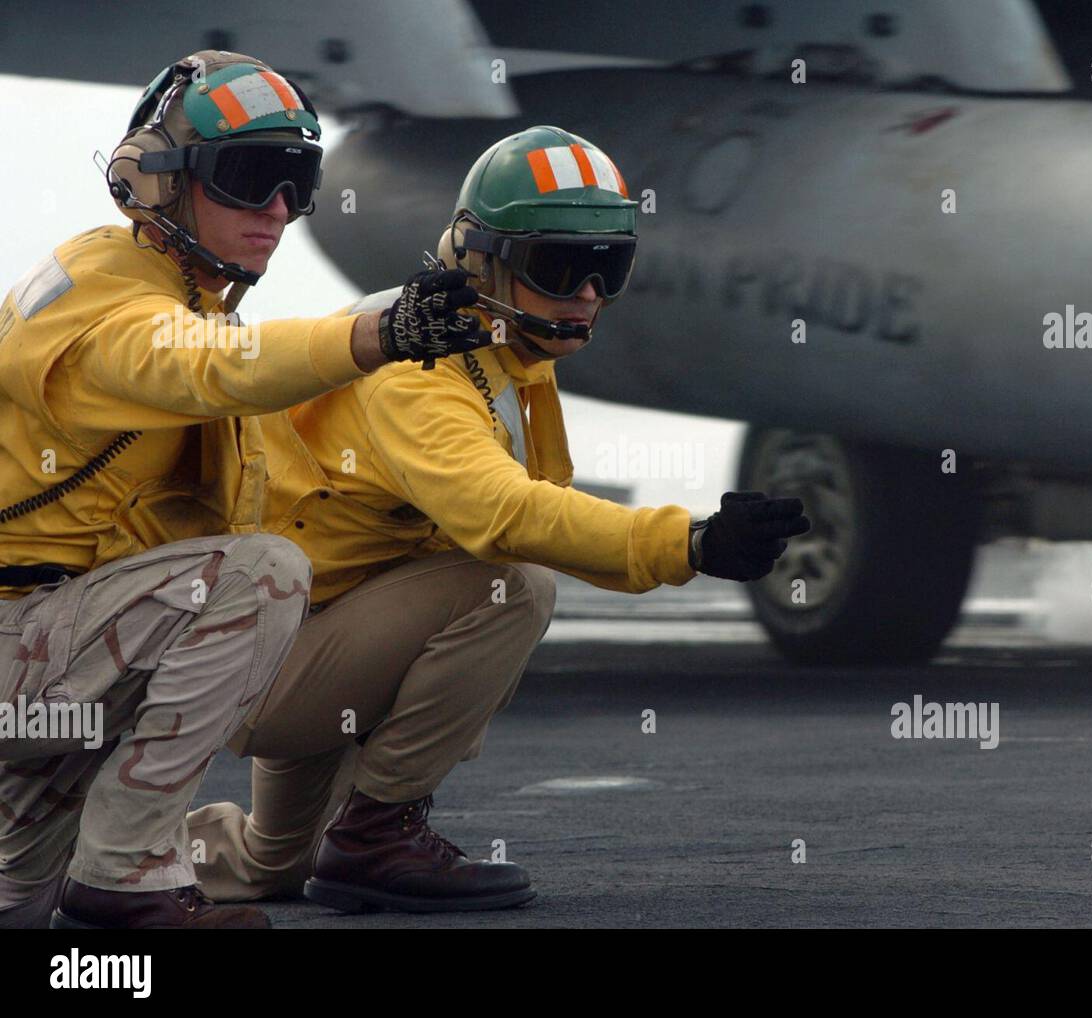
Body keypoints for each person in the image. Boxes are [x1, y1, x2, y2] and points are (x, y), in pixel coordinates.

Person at [188, 125, 811, 914]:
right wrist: (687, 541)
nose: (586, 293)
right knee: (510, 589)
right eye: (558, 266)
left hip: (317, 637)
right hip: (281, 659)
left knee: (272, 867)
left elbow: (539, 512)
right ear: (483, 264)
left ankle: (115, 855)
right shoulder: (419, 365)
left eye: (607, 267)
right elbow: (504, 516)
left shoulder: (511, 357)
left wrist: (687, 548)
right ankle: (379, 830)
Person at [0, 49, 493, 929]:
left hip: (55, 680)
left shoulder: (196, 304)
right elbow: (198, 369)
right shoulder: (100, 294)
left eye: (296, 184)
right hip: (22, 653)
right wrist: (377, 335)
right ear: (158, 181)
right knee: (261, 570)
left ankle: (113, 874)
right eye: (248, 177)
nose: (276, 211)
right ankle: (127, 873)